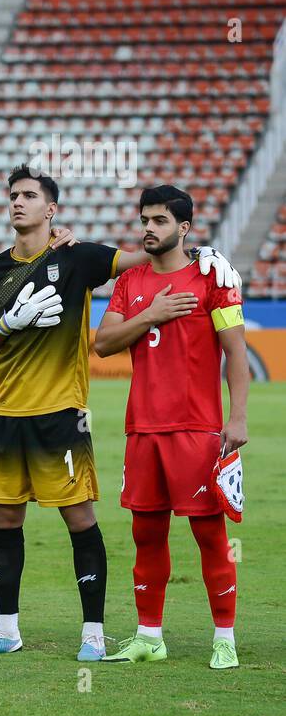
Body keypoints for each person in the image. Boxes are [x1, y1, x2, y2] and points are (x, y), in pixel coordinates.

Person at [0, 165, 240, 660]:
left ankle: (93, 633)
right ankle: (6, 629)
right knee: (4, 518)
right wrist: (8, 322)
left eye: (29, 195)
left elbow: (150, 254)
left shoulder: (80, 258)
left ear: (51, 209)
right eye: (12, 195)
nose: (17, 202)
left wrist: (203, 254)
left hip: (62, 412)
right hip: (4, 412)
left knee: (80, 519)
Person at [95, 185, 248, 670]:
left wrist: (237, 416)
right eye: (145, 219)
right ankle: (149, 635)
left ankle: (224, 637)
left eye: (159, 221)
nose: (148, 229)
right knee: (146, 534)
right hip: (142, 429)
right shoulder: (131, 282)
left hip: (196, 430)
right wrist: (153, 312)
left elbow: (237, 354)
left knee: (210, 535)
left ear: (183, 228)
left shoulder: (212, 281)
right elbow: (103, 343)